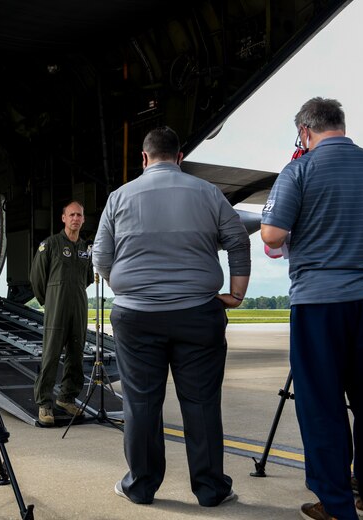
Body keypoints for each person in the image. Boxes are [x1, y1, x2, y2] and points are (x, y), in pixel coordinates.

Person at [261, 97, 363, 520]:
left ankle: (336, 504)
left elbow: (271, 234)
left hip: (319, 302)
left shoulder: (299, 170)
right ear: (341, 126)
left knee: (321, 403)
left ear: (305, 131)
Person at [93, 126, 250, 507]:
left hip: (136, 317)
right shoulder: (209, 192)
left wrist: (127, 287)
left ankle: (141, 486)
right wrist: (237, 293)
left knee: (141, 403)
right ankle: (210, 489)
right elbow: (238, 239)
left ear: (144, 158)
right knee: (201, 402)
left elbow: (100, 256)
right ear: (180, 158)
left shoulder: (119, 197)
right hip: (198, 313)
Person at [30, 201, 94, 426]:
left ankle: (66, 397)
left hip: (79, 306)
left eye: (79, 215)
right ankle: (44, 403)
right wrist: (50, 300)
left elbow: (88, 278)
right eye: (72, 215)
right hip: (56, 306)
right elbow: (37, 278)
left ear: (83, 220)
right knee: (51, 354)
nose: (75, 218)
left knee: (76, 354)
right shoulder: (50, 244)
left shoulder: (86, 249)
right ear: (64, 218)